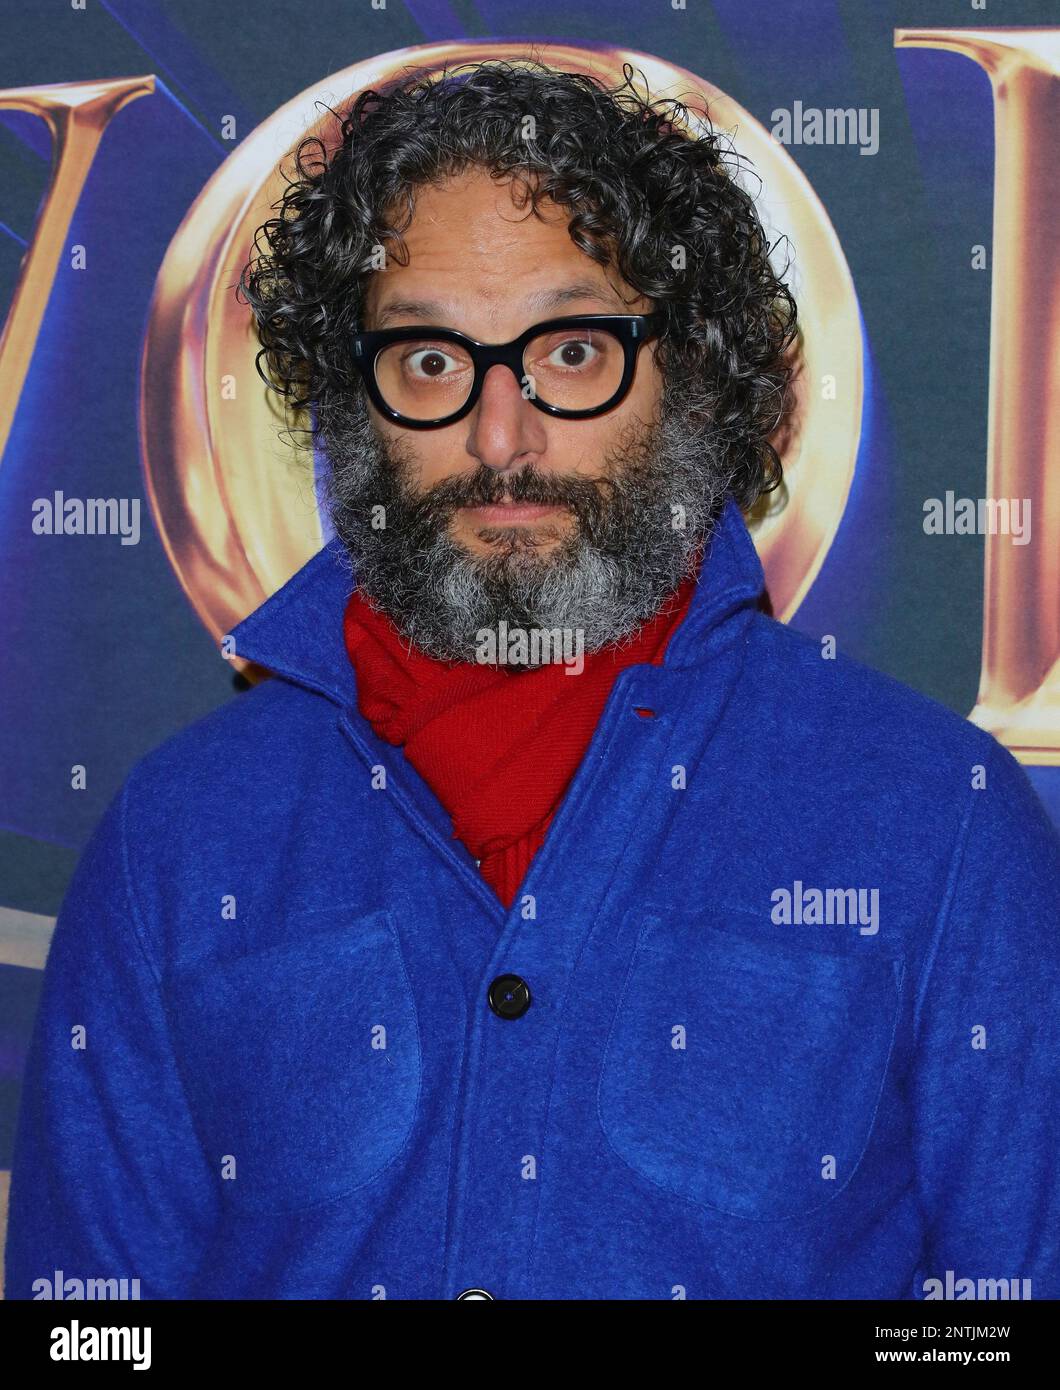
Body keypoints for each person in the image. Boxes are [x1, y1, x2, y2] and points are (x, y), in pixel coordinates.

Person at [6, 61, 1059, 1302]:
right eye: (432, 361)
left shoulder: (934, 820)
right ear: (353, 400)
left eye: (571, 350)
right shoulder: (177, 841)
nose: (501, 438)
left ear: (697, 377)